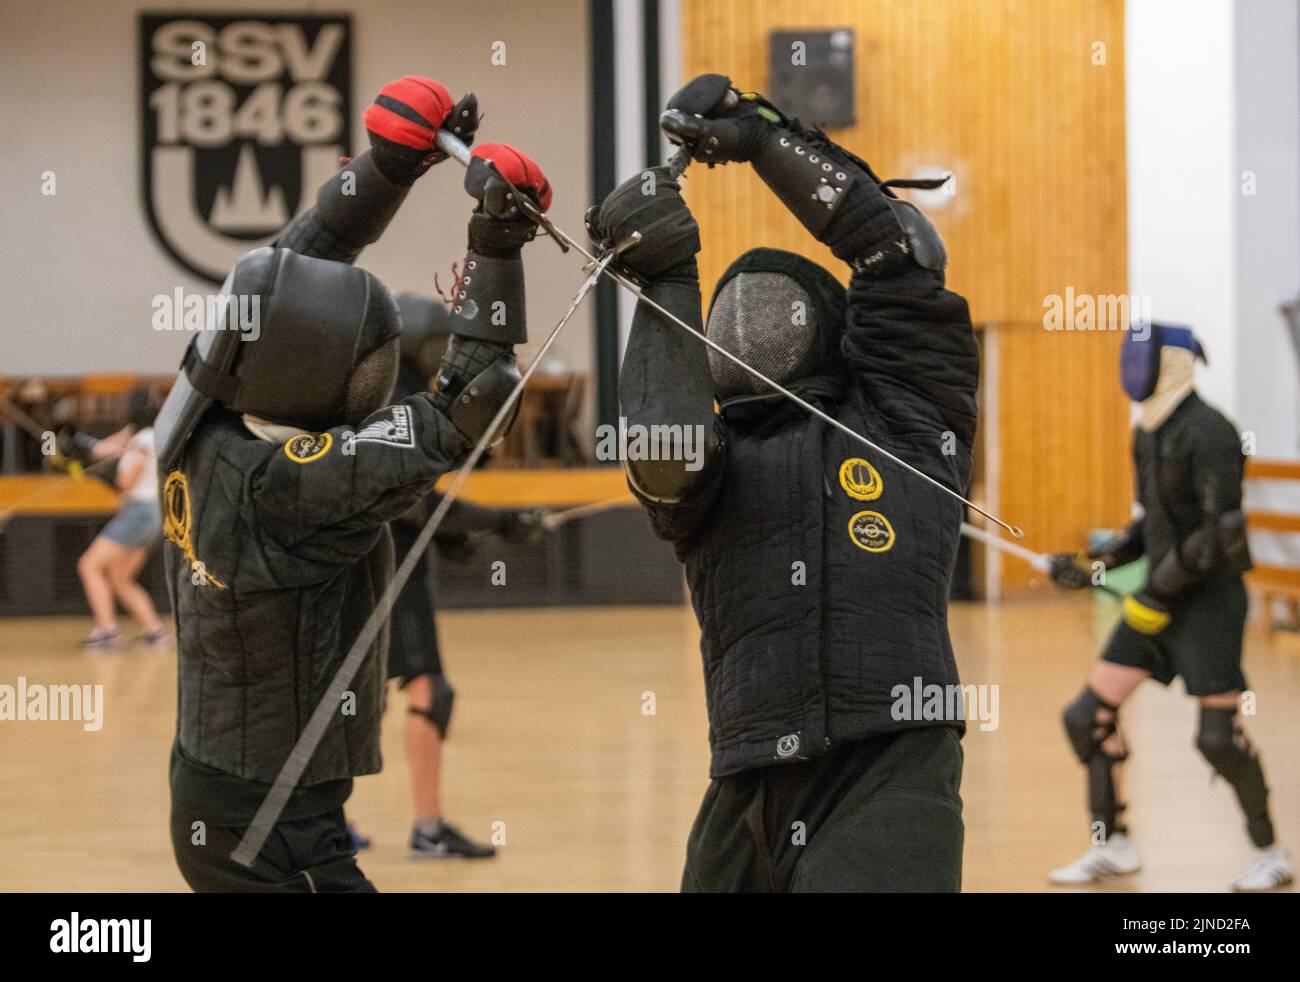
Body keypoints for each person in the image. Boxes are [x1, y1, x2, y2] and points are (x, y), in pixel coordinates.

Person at [155, 74, 551, 892]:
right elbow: (473, 405)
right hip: (272, 830)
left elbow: (278, 276)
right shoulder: (285, 490)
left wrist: (386, 168)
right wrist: (498, 244)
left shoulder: (200, 413)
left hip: (225, 787)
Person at [589, 73, 978, 891]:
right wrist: (661, 276)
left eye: (778, 311)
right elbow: (662, 446)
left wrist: (765, 136)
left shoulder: (908, 411)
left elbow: (898, 254)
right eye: (737, 316)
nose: (754, 324)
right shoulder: (710, 459)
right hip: (743, 777)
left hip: (890, 769)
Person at [1047, 323, 1292, 891]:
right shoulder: (1147, 433)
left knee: (1216, 738)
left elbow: (1223, 532)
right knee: (1087, 718)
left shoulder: (1210, 431)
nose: (1131, 367)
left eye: (1141, 356)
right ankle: (1116, 846)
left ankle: (1271, 851)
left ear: (1174, 361)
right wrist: (1093, 563)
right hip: (1159, 602)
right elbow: (1150, 524)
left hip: (1209, 605)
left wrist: (1156, 591)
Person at [357, 292, 543, 859]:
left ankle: (328, 824)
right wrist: (503, 523)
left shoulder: (382, 391)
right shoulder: (398, 397)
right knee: (428, 689)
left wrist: (458, 535)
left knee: (349, 692)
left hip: (371, 560)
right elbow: (412, 500)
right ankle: (428, 828)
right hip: (391, 566)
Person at [75, 385, 168, 650]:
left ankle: (107, 631)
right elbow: (103, 448)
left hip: (137, 511)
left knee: (89, 565)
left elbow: (127, 481)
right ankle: (155, 632)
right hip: (153, 513)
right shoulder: (153, 436)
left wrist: (110, 475)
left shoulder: (140, 443)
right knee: (120, 577)